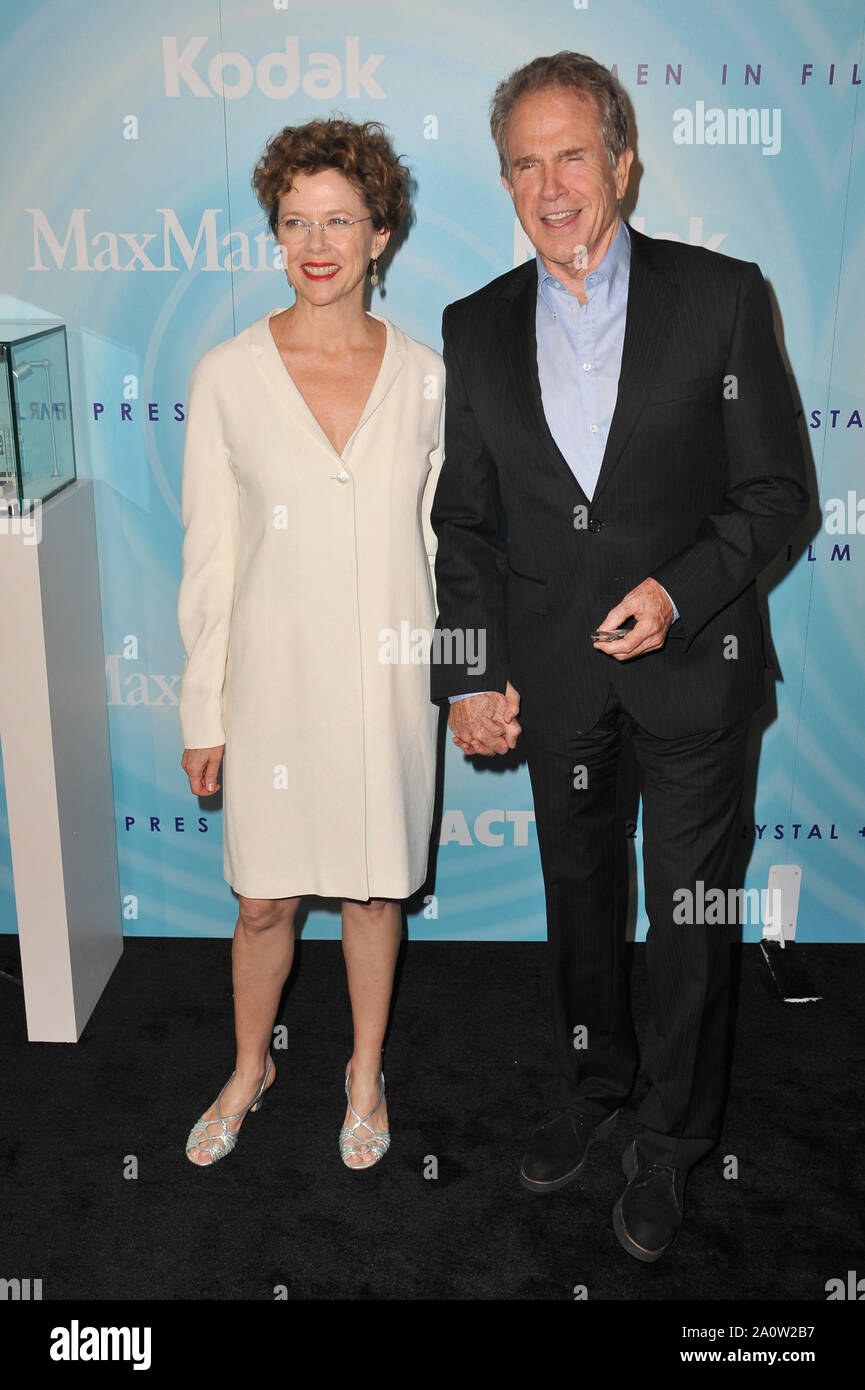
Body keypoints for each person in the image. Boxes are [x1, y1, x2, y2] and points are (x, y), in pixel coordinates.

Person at [430, 52, 809, 1260]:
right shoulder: (474, 325)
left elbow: (777, 495)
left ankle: (670, 1144)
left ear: (623, 160)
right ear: (505, 181)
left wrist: (679, 590)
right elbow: (465, 525)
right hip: (552, 679)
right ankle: (597, 1096)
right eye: (524, 165)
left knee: (689, 916)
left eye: (572, 155)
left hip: (695, 668)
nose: (551, 186)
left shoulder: (723, 297)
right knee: (580, 909)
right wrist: (465, 671)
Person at [178, 117, 444, 1170]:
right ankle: (254, 1065)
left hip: (388, 682)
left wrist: (467, 672)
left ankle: (363, 1070)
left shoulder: (427, 377)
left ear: (381, 234)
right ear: (276, 234)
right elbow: (209, 557)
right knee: (265, 898)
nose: (317, 241)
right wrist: (205, 708)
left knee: (376, 888)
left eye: (341, 219)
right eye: (296, 221)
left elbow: (445, 546)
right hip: (272, 684)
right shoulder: (226, 376)